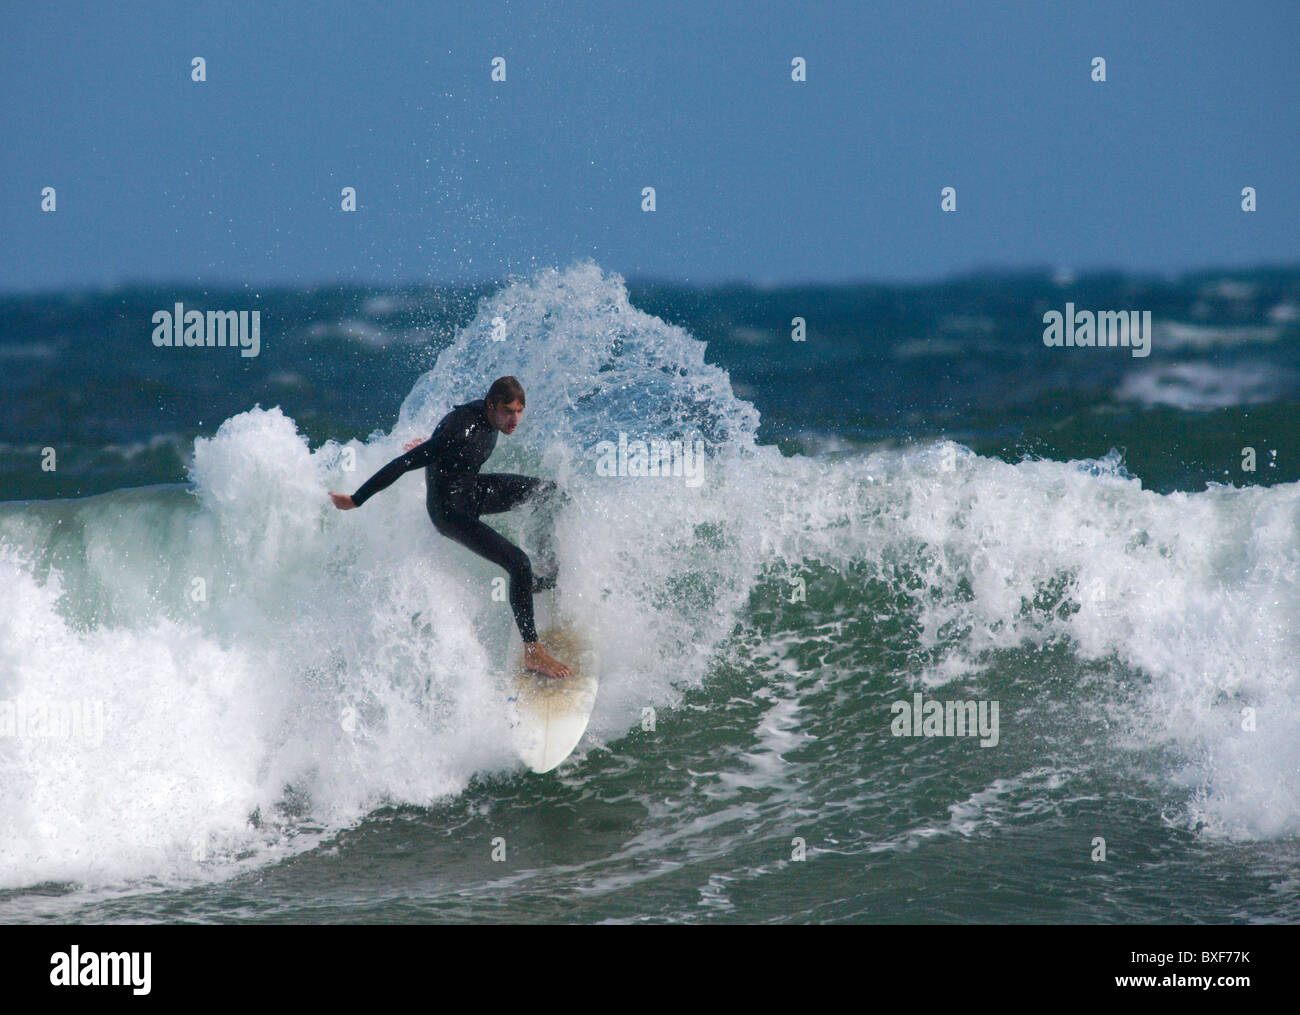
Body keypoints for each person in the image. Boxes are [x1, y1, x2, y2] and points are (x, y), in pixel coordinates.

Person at [328, 375, 573, 679]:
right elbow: (404, 464)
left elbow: (445, 436)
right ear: (491, 405)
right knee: (519, 564)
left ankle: (543, 576)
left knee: (551, 494)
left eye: (519, 412)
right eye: (508, 412)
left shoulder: (485, 417)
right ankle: (533, 653)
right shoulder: (462, 432)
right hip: (450, 512)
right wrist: (356, 499)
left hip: (470, 489)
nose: (514, 420)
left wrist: (433, 449)